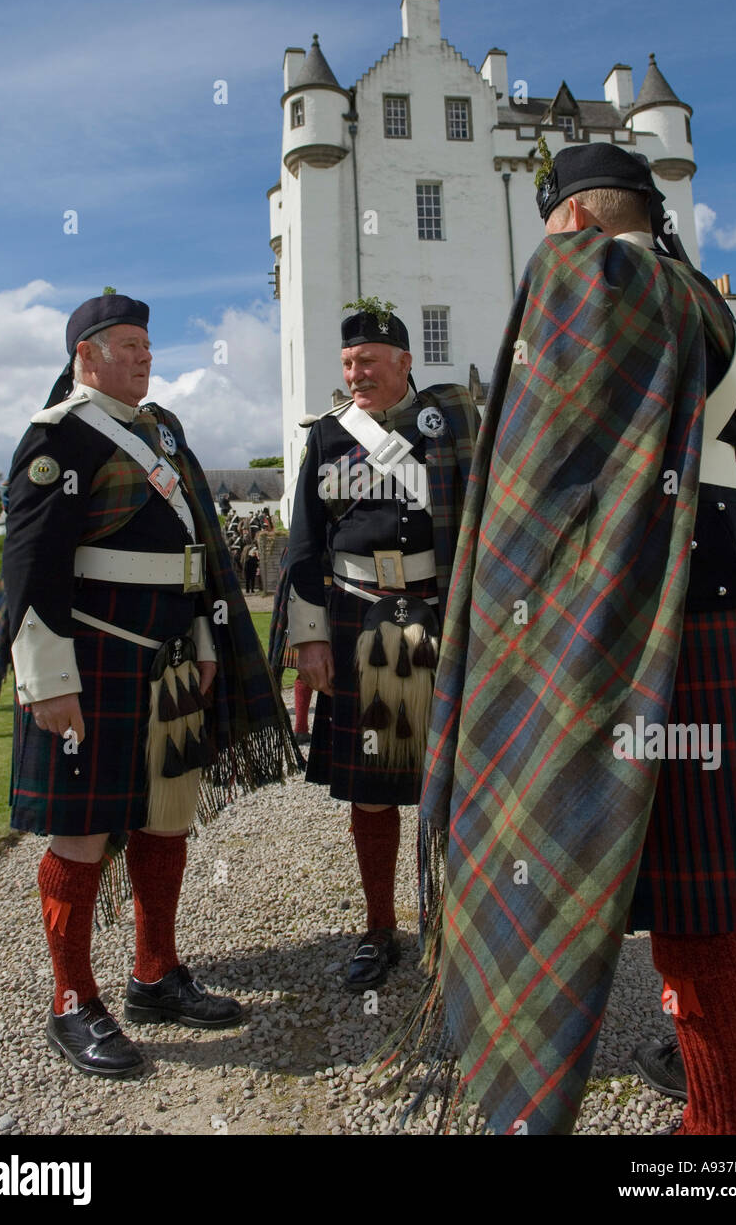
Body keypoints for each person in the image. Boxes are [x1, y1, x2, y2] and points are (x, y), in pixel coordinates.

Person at [409, 143, 736, 1135]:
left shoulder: (603, 278)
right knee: (697, 878)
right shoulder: (709, 302)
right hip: (718, 579)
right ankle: (720, 1114)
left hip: (646, 595)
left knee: (681, 873)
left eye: (548, 235)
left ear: (576, 222)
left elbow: (546, 461)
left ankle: (715, 1125)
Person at [3, 291, 296, 1078]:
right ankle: (72, 1001)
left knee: (166, 820)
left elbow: (194, 551)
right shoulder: (56, 439)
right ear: (85, 355)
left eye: (146, 344)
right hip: (90, 662)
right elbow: (29, 569)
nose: (144, 356)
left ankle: (155, 974)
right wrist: (48, 679)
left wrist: (202, 636)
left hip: (168, 658)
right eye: (127, 344)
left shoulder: (163, 432)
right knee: (83, 830)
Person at [280, 299, 479, 990]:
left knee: (444, 784)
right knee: (371, 791)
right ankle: (376, 928)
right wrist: (308, 640)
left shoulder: (450, 426)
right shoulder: (330, 436)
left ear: (403, 362)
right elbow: (304, 543)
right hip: (355, 615)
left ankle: (447, 922)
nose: (354, 373)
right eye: (346, 363)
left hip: (437, 615)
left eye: (367, 361)